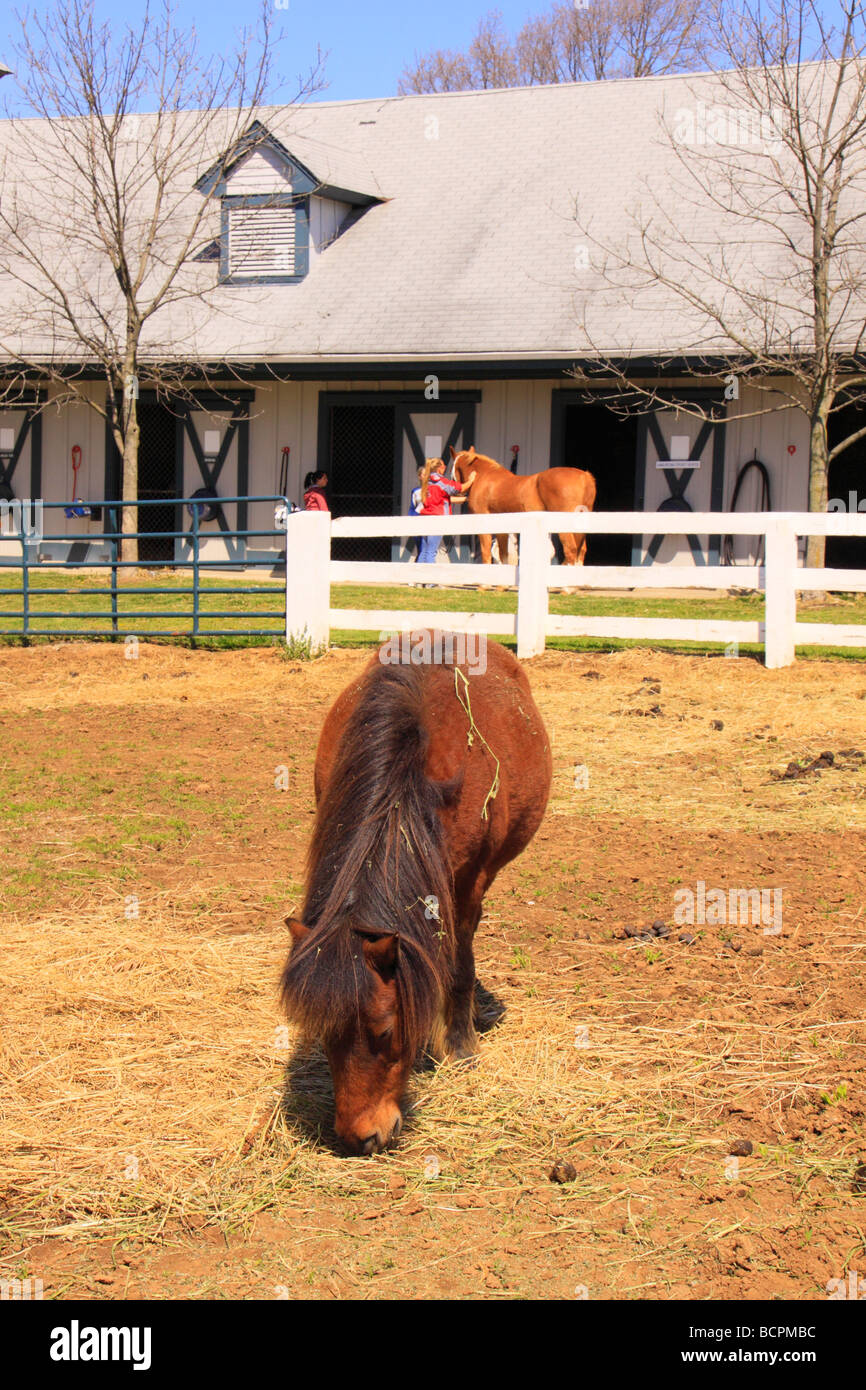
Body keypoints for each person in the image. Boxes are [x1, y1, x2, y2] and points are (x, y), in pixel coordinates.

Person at [417, 457, 475, 582]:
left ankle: (419, 580)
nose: (445, 468)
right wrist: (471, 480)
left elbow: (446, 498)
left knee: (425, 550)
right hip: (437, 519)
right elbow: (458, 488)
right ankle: (430, 582)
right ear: (439, 468)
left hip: (425, 518)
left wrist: (465, 499)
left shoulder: (427, 482)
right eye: (443, 466)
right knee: (432, 552)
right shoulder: (439, 481)